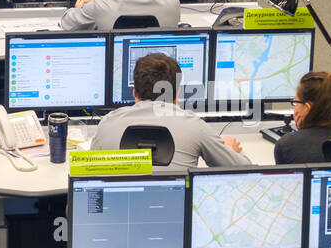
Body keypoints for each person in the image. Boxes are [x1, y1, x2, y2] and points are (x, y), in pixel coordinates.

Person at [91, 53, 251, 169]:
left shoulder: (107, 123)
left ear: (134, 93)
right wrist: (230, 151)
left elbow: (89, 174)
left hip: (119, 212)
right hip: (177, 214)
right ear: (176, 95)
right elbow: (245, 169)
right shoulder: (195, 126)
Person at [274, 71, 331, 165]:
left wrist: (301, 131)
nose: (294, 108)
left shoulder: (287, 145)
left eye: (296, 102)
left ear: (307, 108)